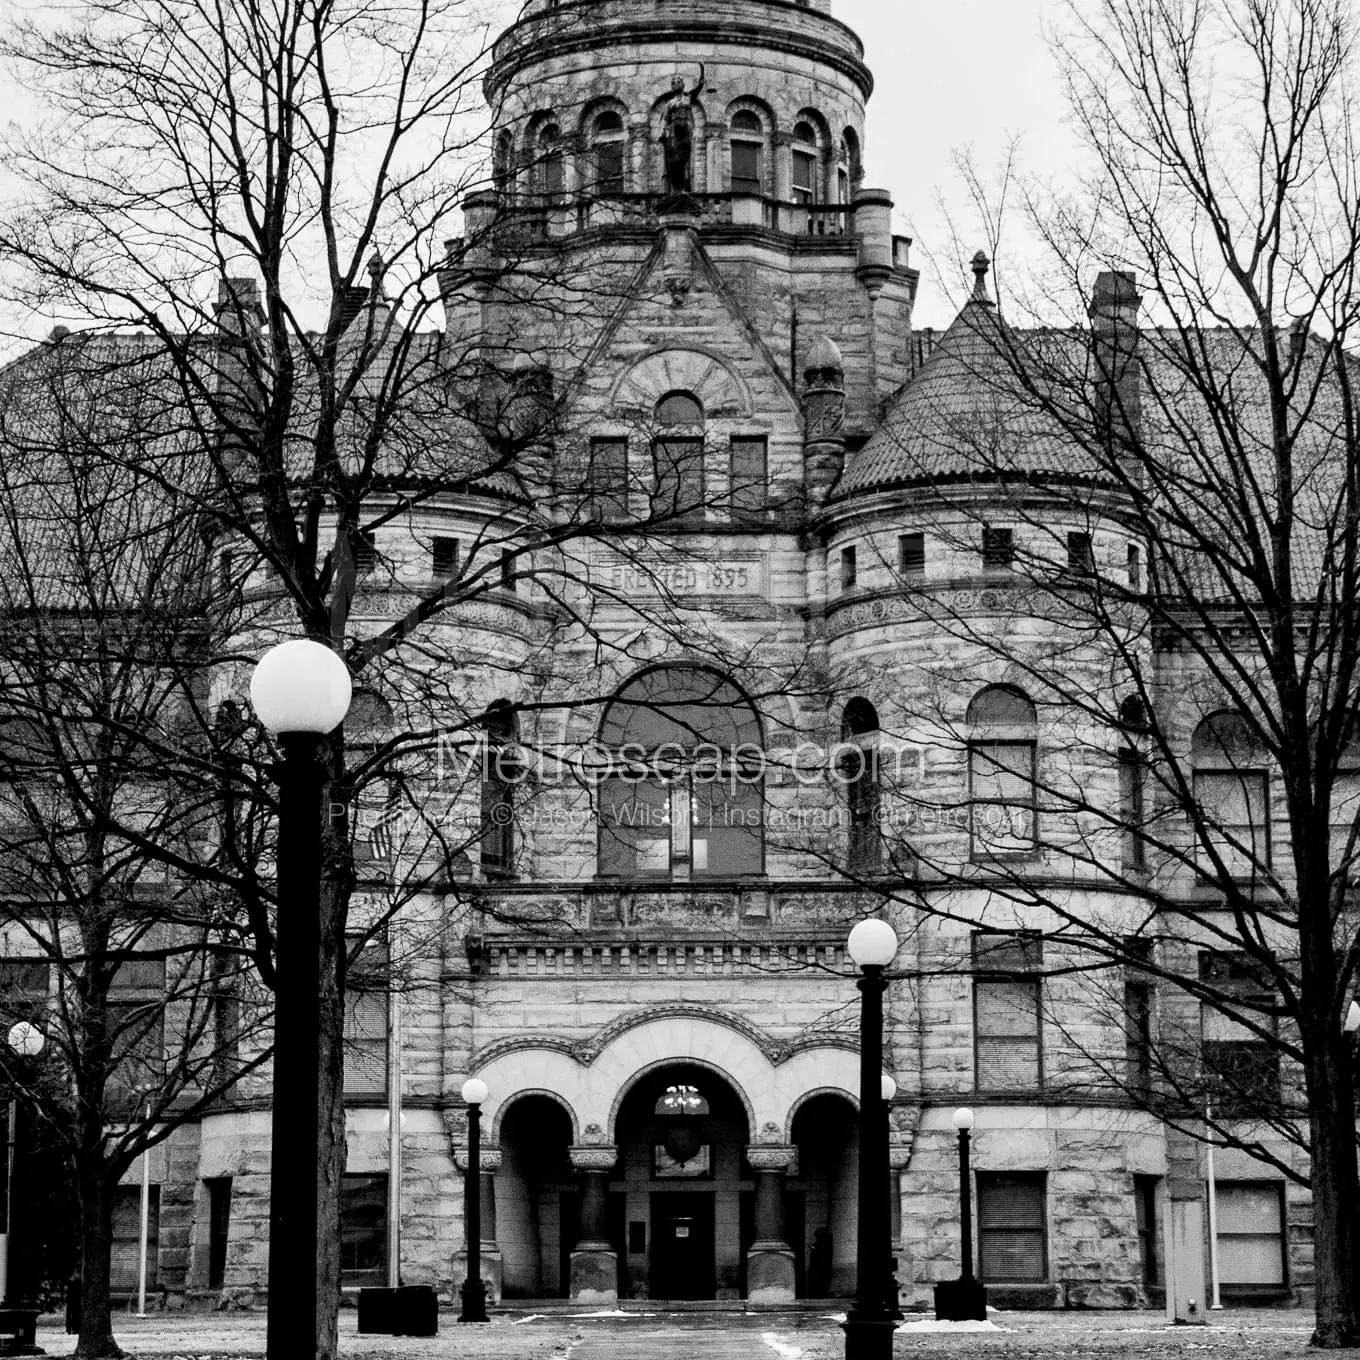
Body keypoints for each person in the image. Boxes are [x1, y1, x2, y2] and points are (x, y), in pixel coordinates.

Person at [660, 66, 706, 195]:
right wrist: (663, 131)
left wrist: (702, 70)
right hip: (674, 129)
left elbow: (700, 85)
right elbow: (665, 119)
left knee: (685, 159)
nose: (676, 84)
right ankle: (675, 189)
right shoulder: (669, 104)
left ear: (683, 84)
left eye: (678, 82)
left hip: (686, 128)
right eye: (673, 83)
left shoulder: (688, 98)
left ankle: (686, 188)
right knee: (674, 159)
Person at [807, 1225, 832, 1297]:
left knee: (818, 1285)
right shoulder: (823, 1243)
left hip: (819, 1269)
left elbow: (818, 1252)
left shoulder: (821, 1244)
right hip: (819, 1268)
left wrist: (813, 1248)